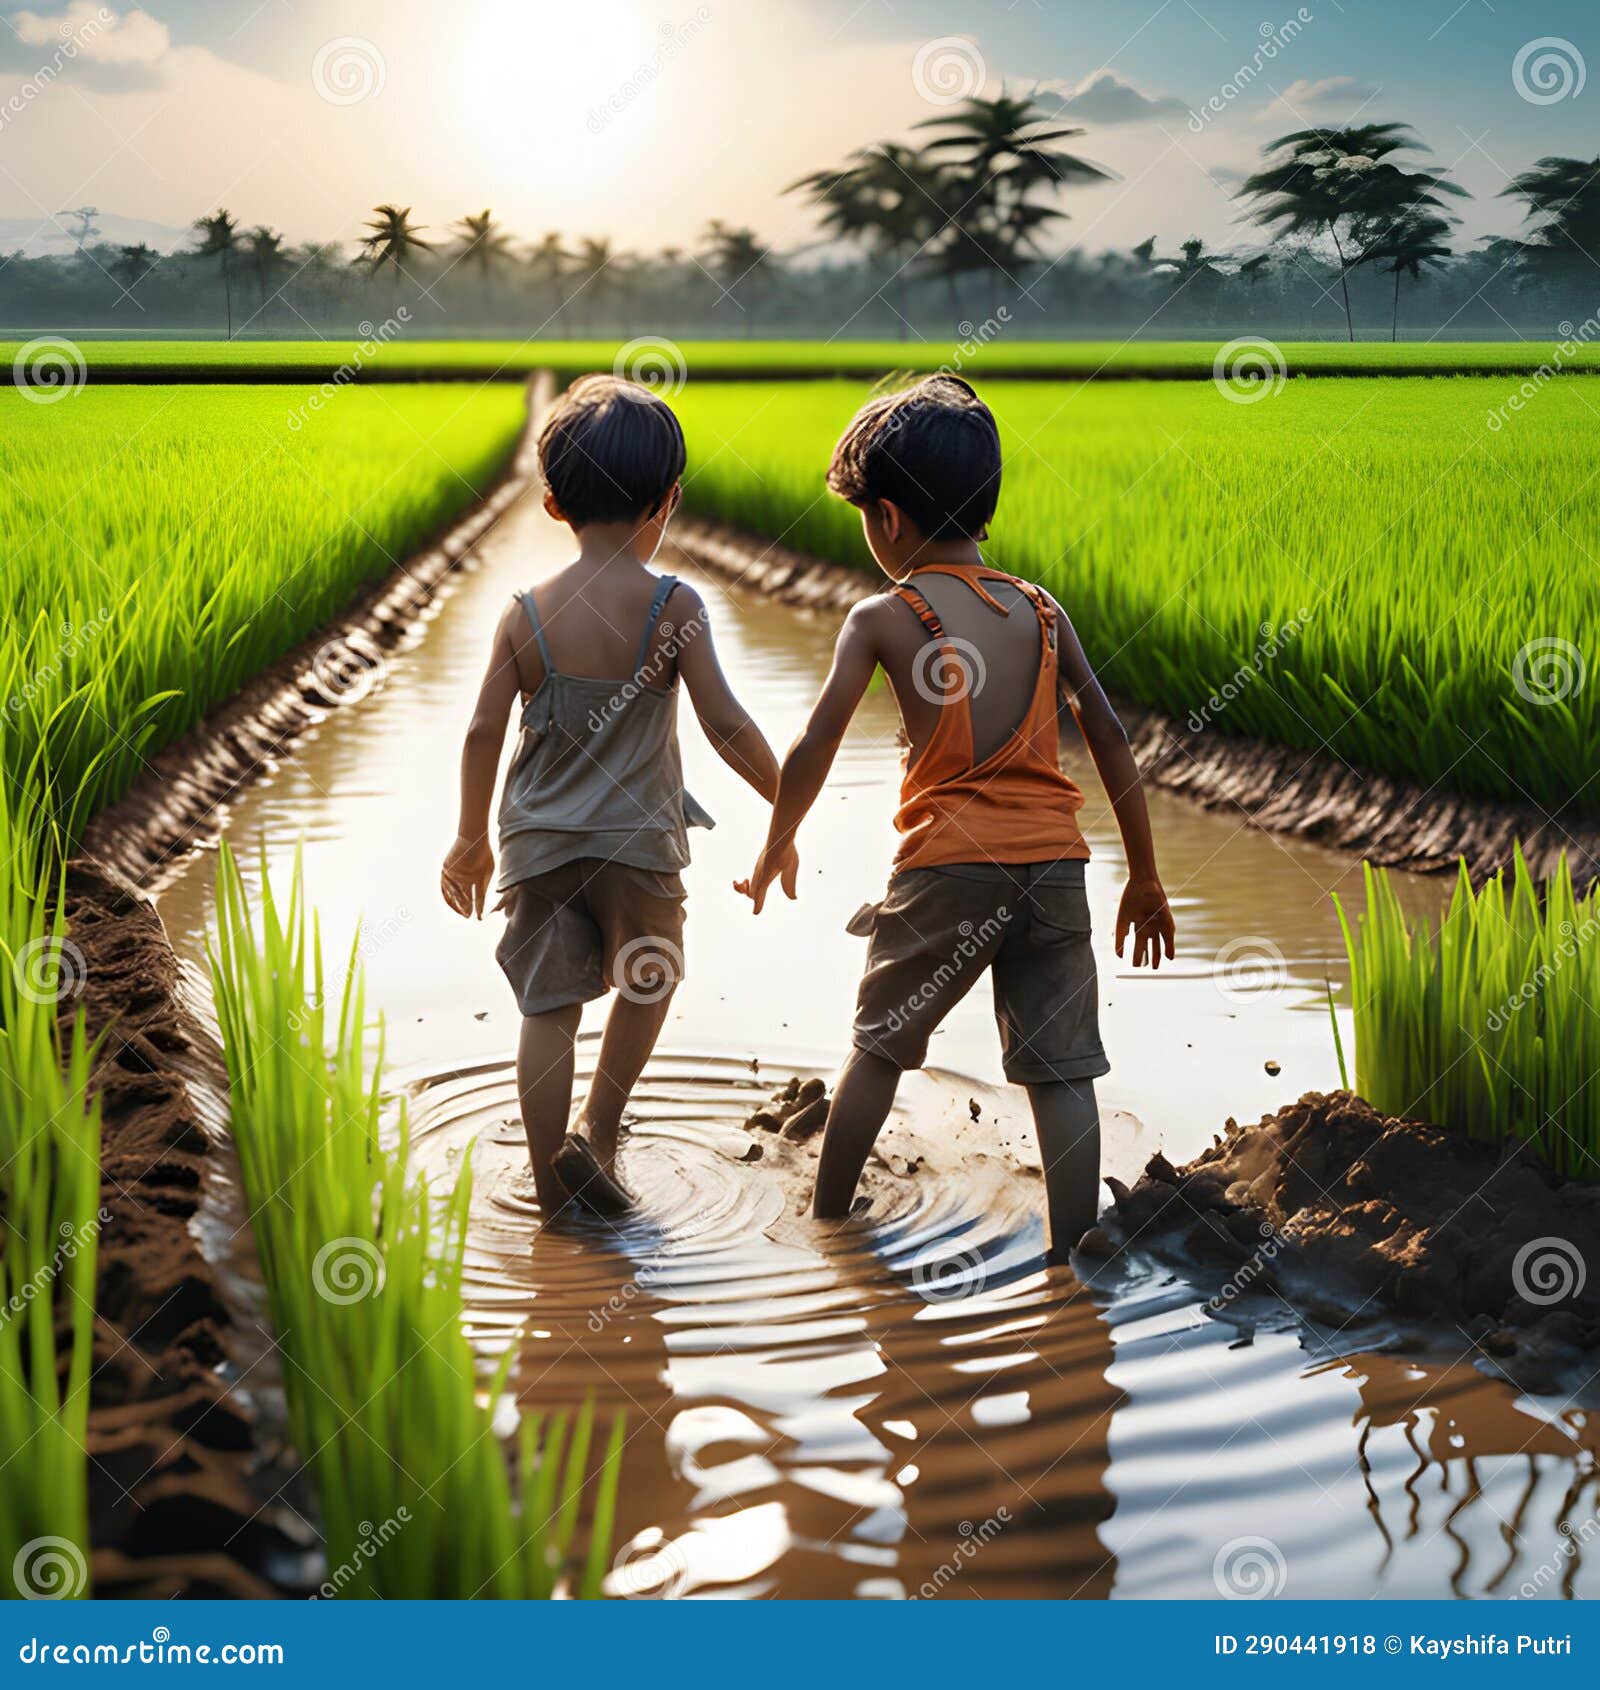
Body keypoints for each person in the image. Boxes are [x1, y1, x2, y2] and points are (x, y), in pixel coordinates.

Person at [738, 375, 1174, 1258]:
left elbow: (813, 747)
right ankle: (1072, 1252)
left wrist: (775, 845)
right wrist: (1147, 876)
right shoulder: (1043, 610)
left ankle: (827, 1222)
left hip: (946, 871)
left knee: (879, 1048)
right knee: (1063, 1072)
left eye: (865, 515)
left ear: (890, 519)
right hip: (1056, 869)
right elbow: (1114, 739)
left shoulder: (884, 617)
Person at [443, 374, 795, 1216]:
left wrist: (468, 839)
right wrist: (788, 806)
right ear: (667, 501)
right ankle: (598, 1134)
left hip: (536, 845)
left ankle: (543, 1184)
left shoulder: (522, 614)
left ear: (554, 503)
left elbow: (482, 733)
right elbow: (726, 726)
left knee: (548, 1008)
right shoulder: (675, 606)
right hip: (637, 847)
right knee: (650, 976)